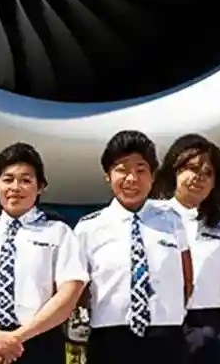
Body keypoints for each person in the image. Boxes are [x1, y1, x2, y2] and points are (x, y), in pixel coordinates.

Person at [0, 143, 88, 364]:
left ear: (40, 187)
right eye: (7, 179)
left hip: (39, 343)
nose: (15, 187)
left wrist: (15, 339)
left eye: (26, 180)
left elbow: (69, 294)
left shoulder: (58, 232)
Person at [74, 130, 192, 361]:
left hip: (167, 337)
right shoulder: (88, 228)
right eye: (121, 170)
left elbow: (187, 279)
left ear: (153, 175)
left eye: (140, 170)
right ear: (108, 175)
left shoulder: (172, 221)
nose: (131, 179)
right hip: (110, 337)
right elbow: (79, 290)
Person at [152, 133, 220, 364]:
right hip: (159, 325)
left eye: (208, 172)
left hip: (209, 328)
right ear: (174, 170)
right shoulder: (151, 216)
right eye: (191, 168)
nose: (199, 177)